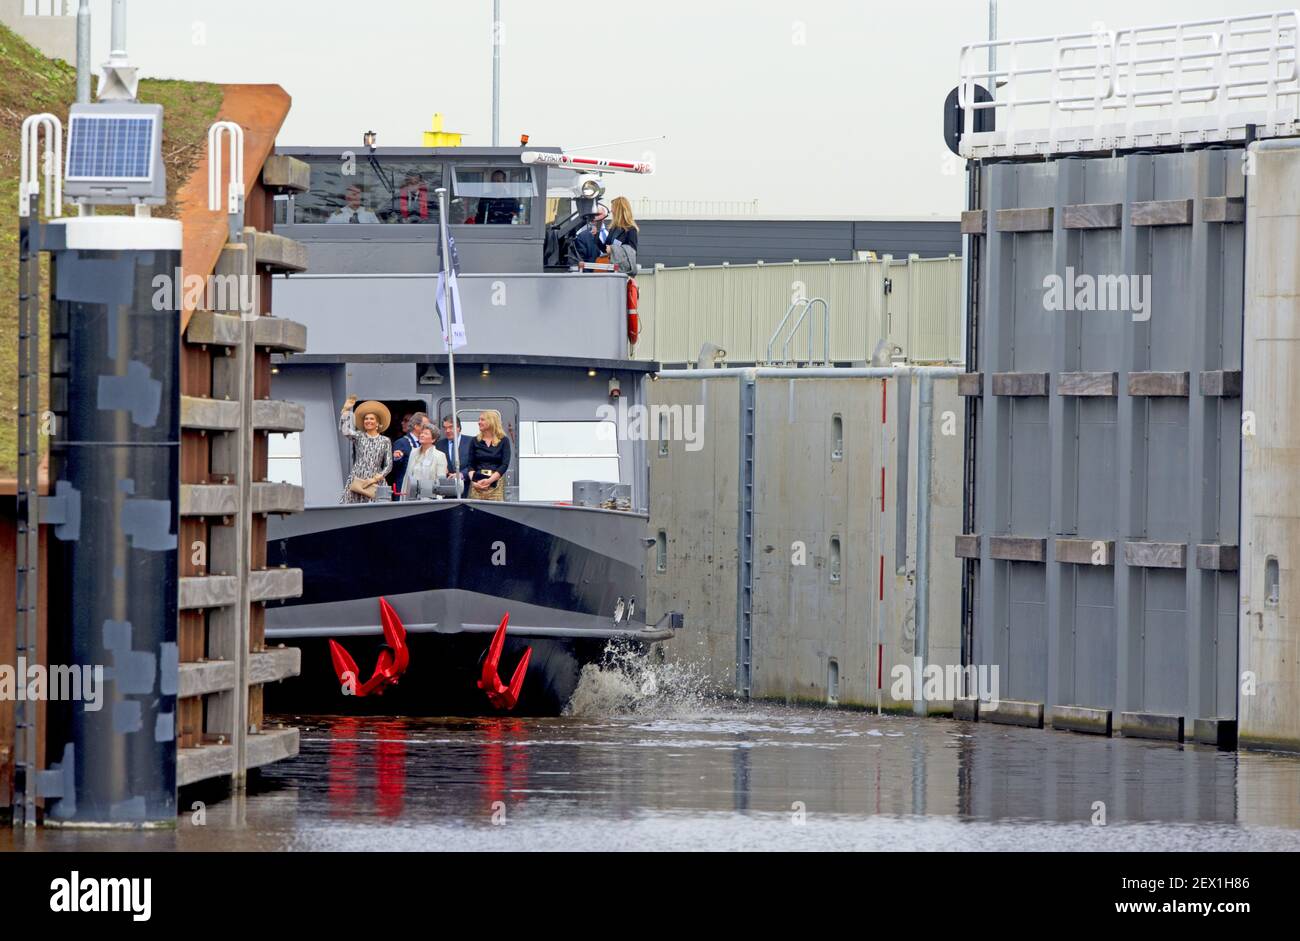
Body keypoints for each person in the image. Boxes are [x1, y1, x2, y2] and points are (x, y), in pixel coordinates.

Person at [339, 396, 393, 503]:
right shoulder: (359, 436)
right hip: (357, 479)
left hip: (375, 481)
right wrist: (345, 411)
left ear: (378, 423)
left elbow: (389, 465)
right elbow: (345, 431)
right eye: (366, 419)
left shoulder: (385, 440)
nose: (368, 421)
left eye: (371, 419)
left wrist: (373, 479)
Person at [467, 409, 512, 501]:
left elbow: (504, 464)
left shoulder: (504, 440)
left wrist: (490, 480)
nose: (479, 422)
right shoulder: (475, 441)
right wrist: (474, 482)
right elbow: (470, 465)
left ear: (491, 421)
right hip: (477, 483)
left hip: (496, 484)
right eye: (479, 420)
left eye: (482, 419)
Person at [400, 426, 449, 500]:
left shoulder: (440, 455)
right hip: (411, 497)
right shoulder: (413, 452)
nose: (422, 435)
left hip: (430, 499)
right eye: (421, 433)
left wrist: (438, 500)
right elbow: (407, 476)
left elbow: (441, 482)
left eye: (426, 434)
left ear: (433, 439)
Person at [391, 412, 427, 494]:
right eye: (426, 425)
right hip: (405, 489)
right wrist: (397, 458)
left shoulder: (426, 443)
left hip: (423, 488)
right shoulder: (401, 443)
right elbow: (394, 468)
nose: (428, 428)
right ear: (416, 426)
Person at [441, 414, 473, 497]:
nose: (447, 430)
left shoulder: (471, 442)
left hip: (467, 490)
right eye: (445, 428)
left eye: (450, 427)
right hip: (446, 492)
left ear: (458, 427)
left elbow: (475, 463)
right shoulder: (439, 444)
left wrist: (462, 474)